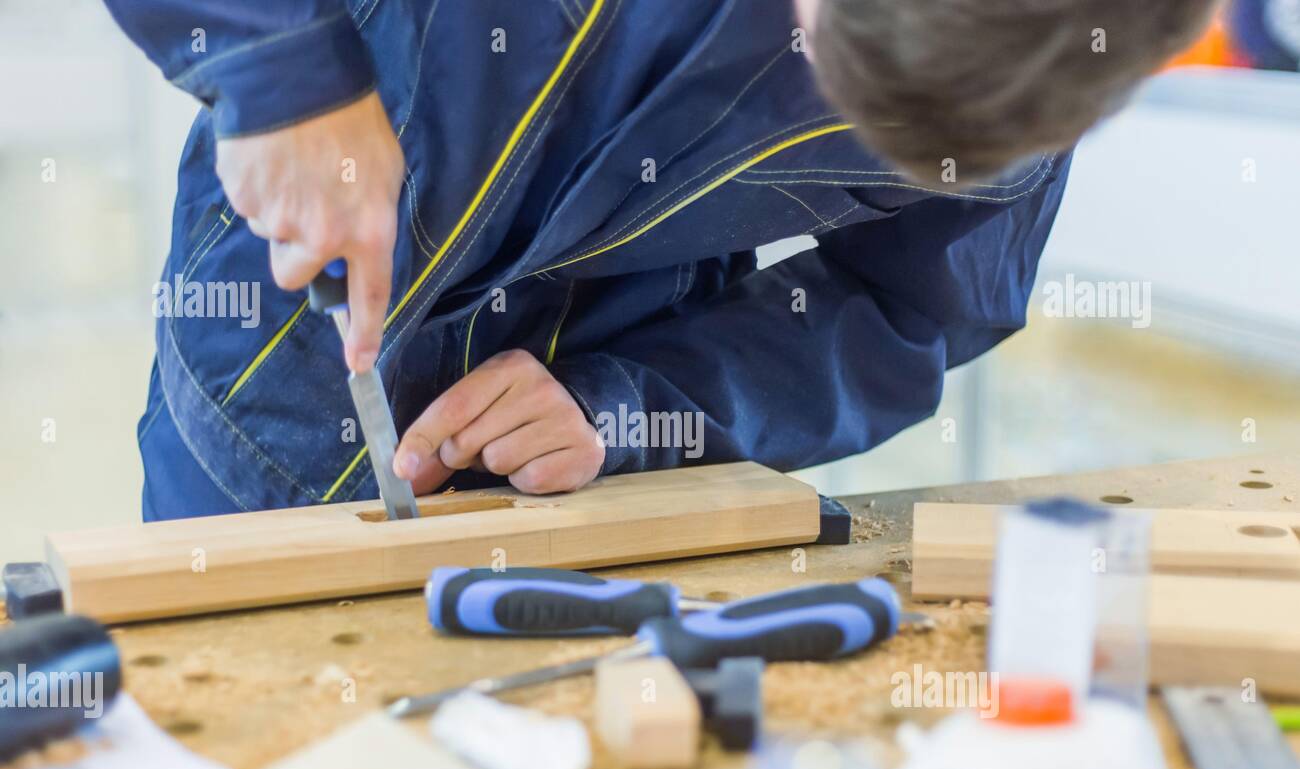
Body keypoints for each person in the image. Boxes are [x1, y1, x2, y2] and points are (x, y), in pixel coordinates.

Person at [104, 0, 1217, 519]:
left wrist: (634, 407)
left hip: (582, 492)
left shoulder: (1049, 52)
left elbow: (903, 307)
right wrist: (279, 65)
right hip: (267, 384)